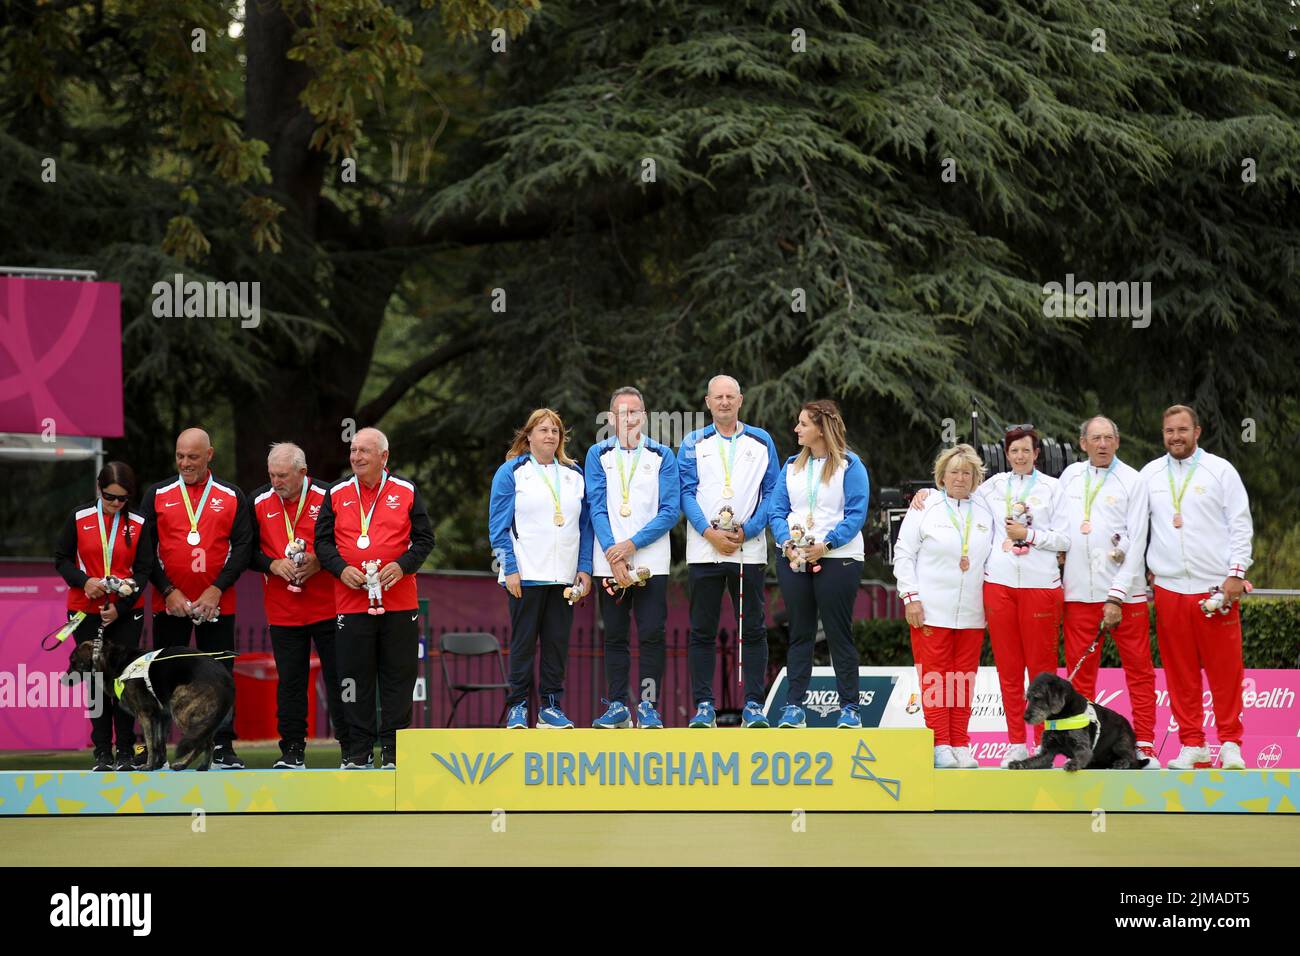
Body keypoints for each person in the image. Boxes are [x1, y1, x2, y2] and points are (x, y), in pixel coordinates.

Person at [911, 426, 1070, 765]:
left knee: (1041, 672)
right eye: (1014, 451)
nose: (1020, 457)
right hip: (998, 586)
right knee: (1008, 671)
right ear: (1006, 454)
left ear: (1036, 453)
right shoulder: (992, 488)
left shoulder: (1053, 489)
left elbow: (1065, 539)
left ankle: (1045, 741)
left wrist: (1030, 534)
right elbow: (954, 491)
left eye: (1026, 450)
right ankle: (1015, 741)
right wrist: (924, 493)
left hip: (1040, 586)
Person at [1140, 404, 1253, 770]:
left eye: (1183, 430)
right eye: (1170, 431)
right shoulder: (1150, 474)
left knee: (1225, 671)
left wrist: (1236, 573)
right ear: (1163, 434)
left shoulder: (1220, 471)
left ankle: (1231, 743)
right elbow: (1136, 528)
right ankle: (1192, 743)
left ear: (1197, 432)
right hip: (1170, 588)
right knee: (1179, 672)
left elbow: (1240, 525)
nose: (1176, 437)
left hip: (1213, 588)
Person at [316, 427, 435, 769]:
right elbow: (322, 543)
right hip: (351, 604)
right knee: (354, 678)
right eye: (353, 451)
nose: (356, 457)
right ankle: (358, 750)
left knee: (398, 677)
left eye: (364, 451)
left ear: (384, 457)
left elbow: (425, 540)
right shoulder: (337, 492)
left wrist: (402, 566)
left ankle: (394, 751)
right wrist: (340, 569)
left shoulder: (406, 491)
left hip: (399, 604)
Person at [141, 428, 253, 769]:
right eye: (180, 456)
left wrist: (216, 588)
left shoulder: (232, 495)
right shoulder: (157, 494)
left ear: (209, 455)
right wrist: (168, 590)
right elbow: (145, 550)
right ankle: (156, 748)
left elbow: (243, 547)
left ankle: (222, 746)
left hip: (216, 603)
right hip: (170, 605)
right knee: (162, 677)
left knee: (219, 675)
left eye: (192, 456)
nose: (185, 463)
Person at [1056, 415, 1160, 767]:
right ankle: (1082, 745)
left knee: (1140, 671)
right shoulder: (1069, 476)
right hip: (1079, 595)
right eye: (1095, 438)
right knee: (1080, 678)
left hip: (1124, 597)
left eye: (1108, 438)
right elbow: (1054, 525)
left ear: (1117, 442)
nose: (1102, 444)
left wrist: (1116, 595)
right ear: (1082, 443)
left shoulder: (1134, 480)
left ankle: (1143, 743)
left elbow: (1138, 541)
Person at [679, 374, 781, 728]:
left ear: (741, 400)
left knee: (752, 628)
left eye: (730, 397)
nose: (724, 402)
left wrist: (748, 530)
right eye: (717, 397)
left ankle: (753, 705)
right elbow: (686, 493)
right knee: (702, 630)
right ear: (707, 402)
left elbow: (773, 494)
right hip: (705, 550)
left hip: (747, 550)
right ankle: (704, 706)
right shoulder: (693, 442)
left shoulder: (761, 440)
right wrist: (709, 533)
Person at [489, 408, 593, 729]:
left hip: (564, 576)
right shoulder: (512, 472)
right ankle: (518, 706)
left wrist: (585, 568)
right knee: (523, 642)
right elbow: (498, 526)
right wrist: (509, 568)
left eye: (555, 431)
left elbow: (586, 526)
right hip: (526, 574)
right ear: (528, 435)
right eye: (543, 430)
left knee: (556, 644)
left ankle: (551, 706)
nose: (550, 436)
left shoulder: (574, 474)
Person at [768, 400, 869, 729]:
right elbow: (777, 511)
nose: (796, 429)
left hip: (838, 558)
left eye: (803, 424)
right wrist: (787, 544)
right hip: (795, 559)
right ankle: (794, 708)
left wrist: (826, 545)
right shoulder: (791, 466)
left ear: (820, 429)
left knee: (838, 633)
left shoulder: (850, 466)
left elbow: (855, 514)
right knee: (800, 633)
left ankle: (850, 708)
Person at [893, 444, 994, 768]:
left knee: (963, 678)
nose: (960, 478)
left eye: (967, 473)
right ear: (942, 476)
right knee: (936, 679)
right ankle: (939, 742)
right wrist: (911, 597)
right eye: (954, 472)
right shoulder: (926, 505)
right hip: (931, 609)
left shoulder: (986, 507)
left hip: (972, 611)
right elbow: (904, 554)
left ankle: (961, 742)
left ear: (976, 477)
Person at [248, 442, 346, 769]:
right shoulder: (258, 501)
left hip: (328, 607)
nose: (276, 482)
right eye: (272, 475)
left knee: (339, 680)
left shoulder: (329, 495)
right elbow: (245, 551)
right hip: (283, 610)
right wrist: (273, 565)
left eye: (283, 476)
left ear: (303, 472)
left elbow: (344, 544)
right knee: (290, 683)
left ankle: (352, 750)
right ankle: (292, 752)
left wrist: (320, 562)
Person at [585, 388, 679, 729]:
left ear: (644, 416)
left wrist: (630, 546)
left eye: (635, 412)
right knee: (615, 635)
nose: (628, 419)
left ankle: (649, 707)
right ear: (611, 419)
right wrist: (614, 555)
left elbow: (670, 511)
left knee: (652, 633)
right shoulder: (598, 454)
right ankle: (617, 706)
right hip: (608, 561)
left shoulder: (662, 454)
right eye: (622, 413)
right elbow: (595, 506)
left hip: (651, 560)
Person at [53, 462, 153, 770]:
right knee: (95, 681)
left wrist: (120, 608)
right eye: (110, 497)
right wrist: (85, 582)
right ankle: (102, 751)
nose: (116, 504)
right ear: (100, 489)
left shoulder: (138, 521)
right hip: (86, 610)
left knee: (122, 681)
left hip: (124, 613)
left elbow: (144, 570)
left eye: (123, 499)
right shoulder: (79, 516)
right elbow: (62, 559)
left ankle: (125, 750)